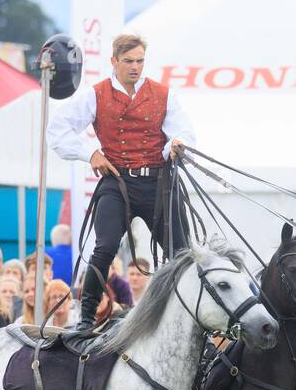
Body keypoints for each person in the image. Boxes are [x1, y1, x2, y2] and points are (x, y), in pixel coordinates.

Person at [48, 33, 196, 330]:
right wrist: (89, 153)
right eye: (128, 61)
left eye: (140, 61)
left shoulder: (163, 94)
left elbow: (184, 133)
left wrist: (175, 146)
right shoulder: (96, 94)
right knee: (104, 248)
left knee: (182, 252)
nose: (135, 67)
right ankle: (86, 316)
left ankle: (186, 314)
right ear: (114, 62)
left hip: (158, 182)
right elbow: (58, 128)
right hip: (117, 182)